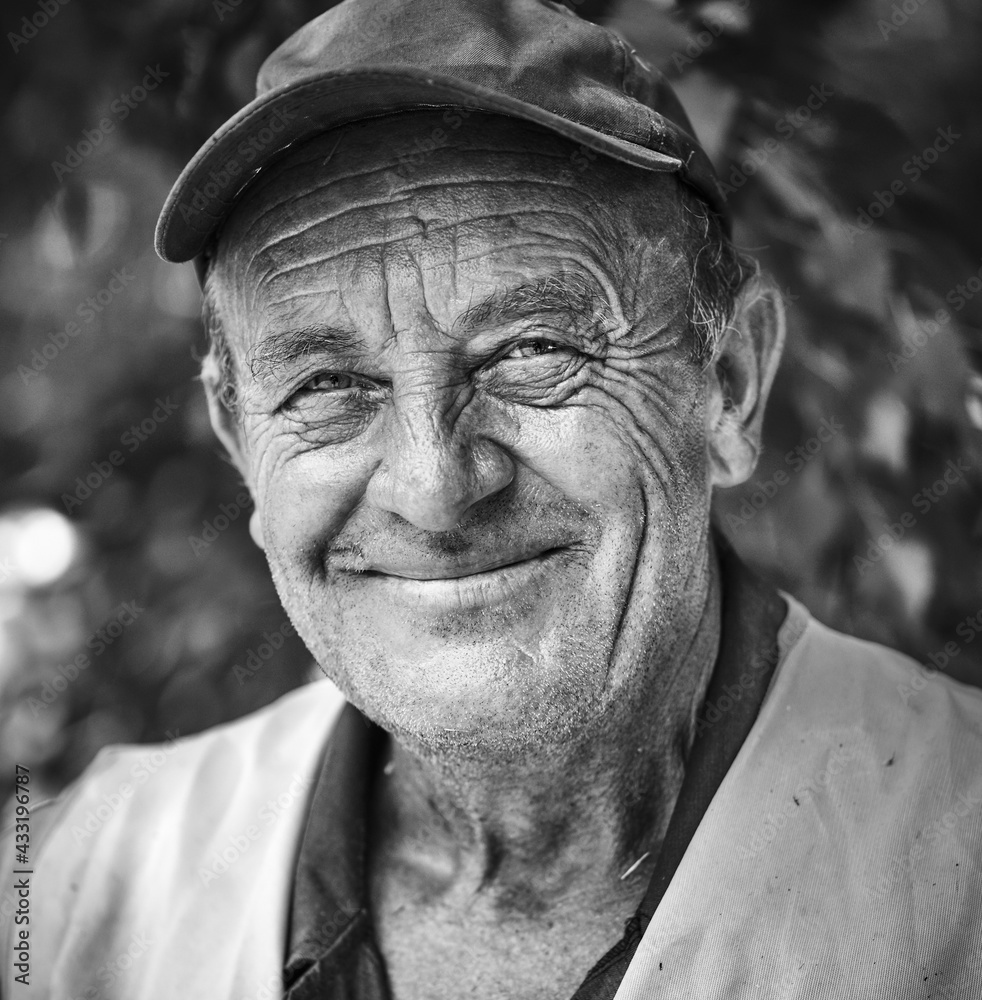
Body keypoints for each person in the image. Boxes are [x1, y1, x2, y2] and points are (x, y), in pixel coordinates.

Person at [3, 0, 981, 996]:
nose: (434, 488)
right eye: (327, 387)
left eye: (531, 352)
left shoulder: (959, 849)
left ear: (724, 382)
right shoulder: (88, 883)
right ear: (238, 440)